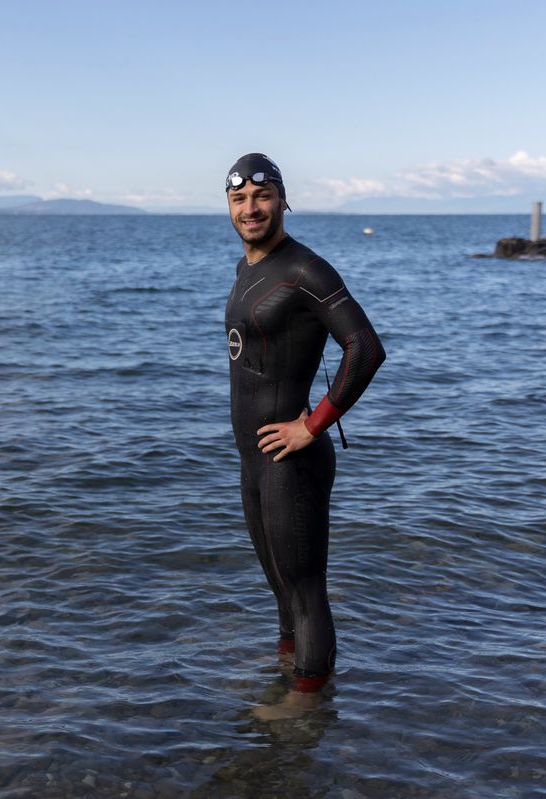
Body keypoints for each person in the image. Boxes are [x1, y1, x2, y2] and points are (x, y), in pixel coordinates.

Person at [222, 153, 385, 719]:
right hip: (253, 457)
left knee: (306, 585)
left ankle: (309, 698)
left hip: (291, 458)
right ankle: (290, 666)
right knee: (279, 585)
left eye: (262, 197)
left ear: (282, 200)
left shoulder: (306, 270)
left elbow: (365, 348)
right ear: (229, 206)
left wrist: (311, 425)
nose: (251, 208)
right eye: (239, 199)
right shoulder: (248, 269)